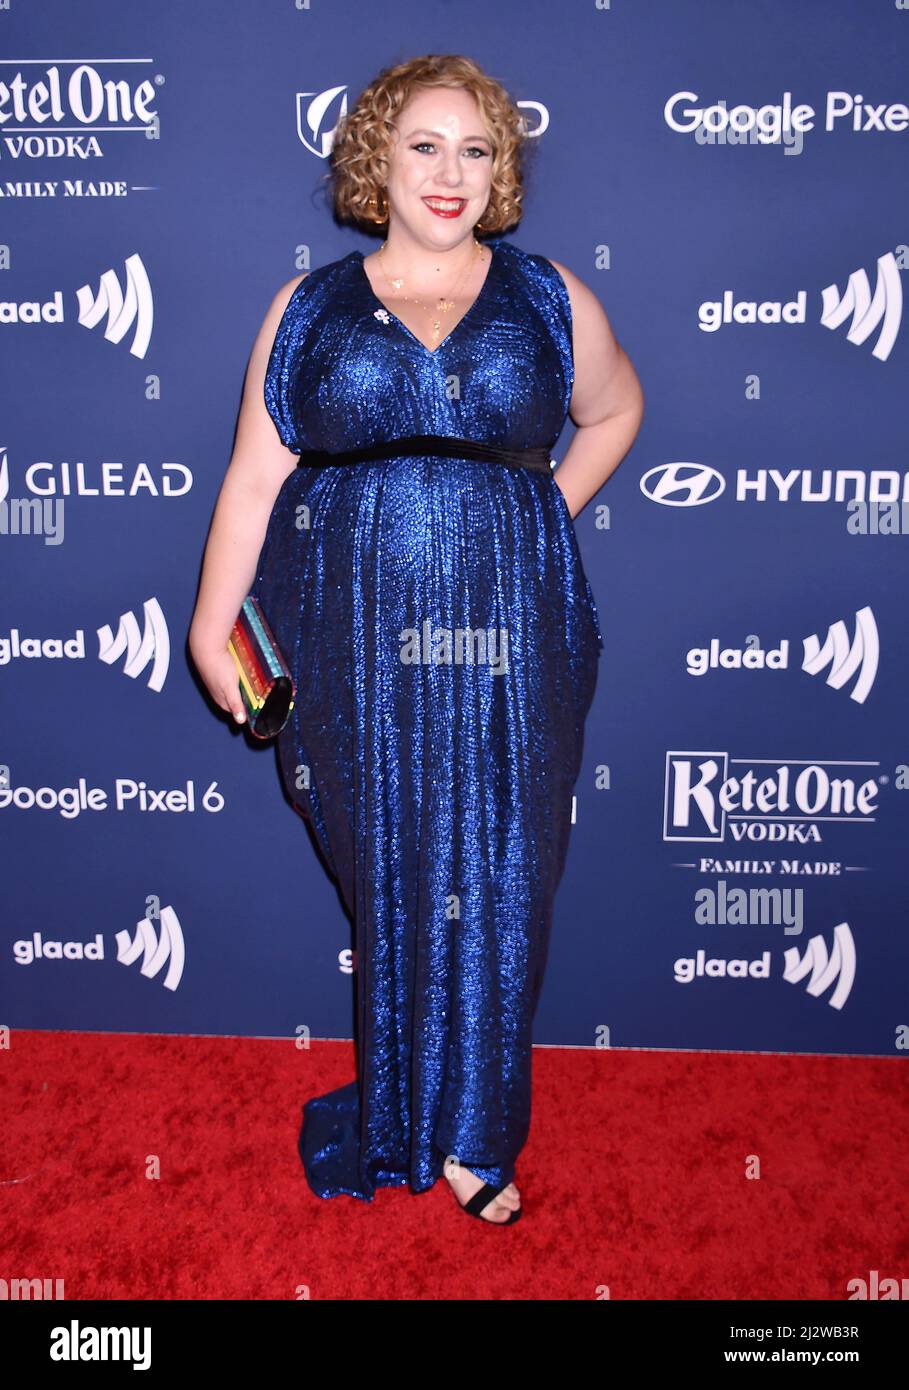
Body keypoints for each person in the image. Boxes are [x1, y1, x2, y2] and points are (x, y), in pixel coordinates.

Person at [189, 53, 644, 1225]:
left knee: (503, 870)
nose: (451, 173)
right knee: (392, 868)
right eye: (426, 146)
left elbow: (616, 409)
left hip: (512, 631)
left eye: (477, 149)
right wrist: (210, 621)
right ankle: (401, 1114)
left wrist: (540, 519)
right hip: (353, 633)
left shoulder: (549, 296)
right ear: (376, 160)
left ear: (500, 171)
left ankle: (478, 1139)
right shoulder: (305, 309)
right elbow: (252, 479)